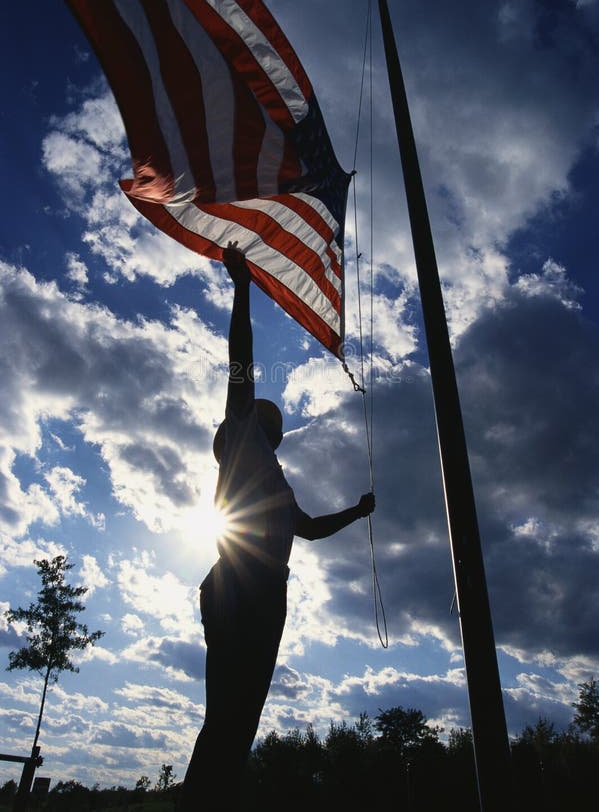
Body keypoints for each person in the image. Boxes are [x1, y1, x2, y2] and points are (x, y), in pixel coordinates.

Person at [179, 242, 375, 811]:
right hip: (241, 588)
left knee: (238, 723)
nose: (274, 418)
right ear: (253, 422)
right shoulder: (241, 442)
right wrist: (241, 291)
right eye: (270, 414)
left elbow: (308, 530)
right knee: (227, 719)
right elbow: (241, 364)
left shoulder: (275, 482)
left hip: (264, 595)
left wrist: (357, 512)